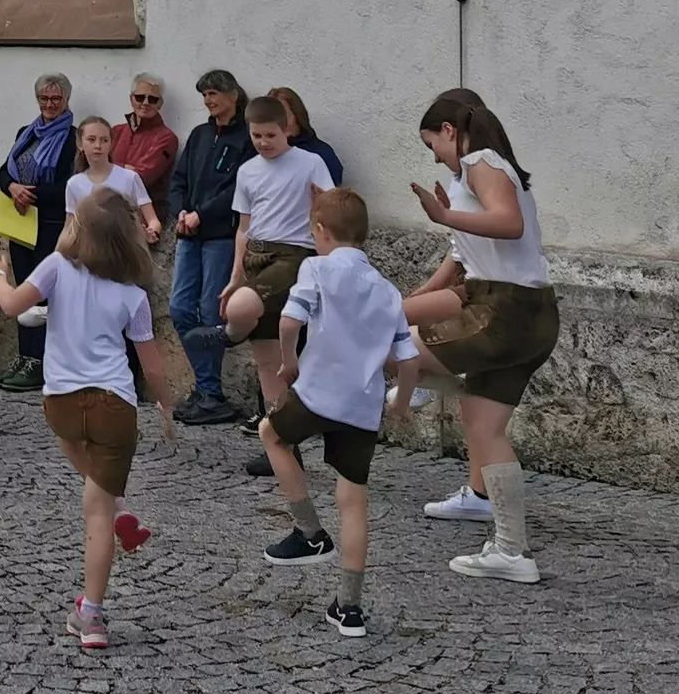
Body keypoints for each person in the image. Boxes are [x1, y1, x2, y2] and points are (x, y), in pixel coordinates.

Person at [0, 189, 179, 651]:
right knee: (99, 514)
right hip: (115, 406)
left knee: (72, 442)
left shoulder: (55, 268)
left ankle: (116, 518)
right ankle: (93, 615)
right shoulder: (134, 295)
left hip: (61, 402)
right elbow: (151, 367)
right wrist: (166, 407)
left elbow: (11, 306)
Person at [255, 187, 420, 637]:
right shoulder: (387, 291)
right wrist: (401, 403)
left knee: (272, 433)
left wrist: (288, 363)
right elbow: (410, 360)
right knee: (354, 503)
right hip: (363, 405)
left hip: (319, 393)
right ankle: (349, 609)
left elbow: (289, 320)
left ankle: (309, 533)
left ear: (319, 231)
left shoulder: (316, 267)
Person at [403, 97, 553, 583]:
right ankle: (511, 550)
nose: (434, 157)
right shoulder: (476, 173)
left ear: (449, 130)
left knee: (397, 347)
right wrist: (428, 286)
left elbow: (509, 225)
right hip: (525, 310)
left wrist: (445, 218)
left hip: (503, 309)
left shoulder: (480, 162)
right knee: (483, 424)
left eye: (432, 145)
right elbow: (468, 250)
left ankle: (421, 380)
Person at [181, 95, 336, 463]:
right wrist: (235, 276)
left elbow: (332, 211)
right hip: (257, 256)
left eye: (270, 135)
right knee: (269, 362)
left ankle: (228, 334)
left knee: (241, 308)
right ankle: (282, 445)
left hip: (294, 254)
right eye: (256, 136)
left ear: (286, 129)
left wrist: (321, 207)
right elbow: (243, 230)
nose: (264, 142)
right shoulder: (248, 171)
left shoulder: (310, 162)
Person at [167, 69, 254, 426]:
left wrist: (203, 213)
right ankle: (208, 389)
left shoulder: (247, 139)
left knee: (209, 310)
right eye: (204, 96)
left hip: (221, 235)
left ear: (234, 95)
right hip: (190, 234)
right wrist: (182, 211)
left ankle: (210, 392)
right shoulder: (201, 135)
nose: (209, 101)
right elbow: (179, 179)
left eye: (214, 94)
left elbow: (238, 189)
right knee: (179, 307)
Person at [0, 74, 80, 394]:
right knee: (22, 292)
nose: (49, 105)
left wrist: (33, 195)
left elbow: (72, 184)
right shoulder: (25, 134)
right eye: (44, 99)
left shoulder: (74, 138)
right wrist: (13, 187)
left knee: (43, 295)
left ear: (67, 100)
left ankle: (41, 362)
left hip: (51, 225)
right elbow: (5, 171)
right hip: (21, 224)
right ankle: (24, 356)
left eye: (56, 99)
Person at [67, 115, 161, 244]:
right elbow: (70, 228)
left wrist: (151, 233)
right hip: (90, 254)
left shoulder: (129, 177)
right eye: (91, 139)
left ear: (111, 144)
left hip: (125, 252)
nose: (98, 145)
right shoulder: (74, 184)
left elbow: (153, 220)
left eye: (104, 140)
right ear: (80, 143)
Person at [111, 72, 178, 207]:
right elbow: (92, 168)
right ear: (131, 99)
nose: (145, 103)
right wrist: (125, 169)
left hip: (143, 217)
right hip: (108, 210)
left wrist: (110, 167)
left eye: (152, 99)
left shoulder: (167, 138)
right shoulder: (117, 131)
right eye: (140, 97)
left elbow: (139, 180)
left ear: (160, 103)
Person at [268, 86, 344, 184]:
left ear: (296, 115)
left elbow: (330, 196)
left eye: (283, 116)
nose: (277, 123)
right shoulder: (262, 150)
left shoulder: (322, 155)